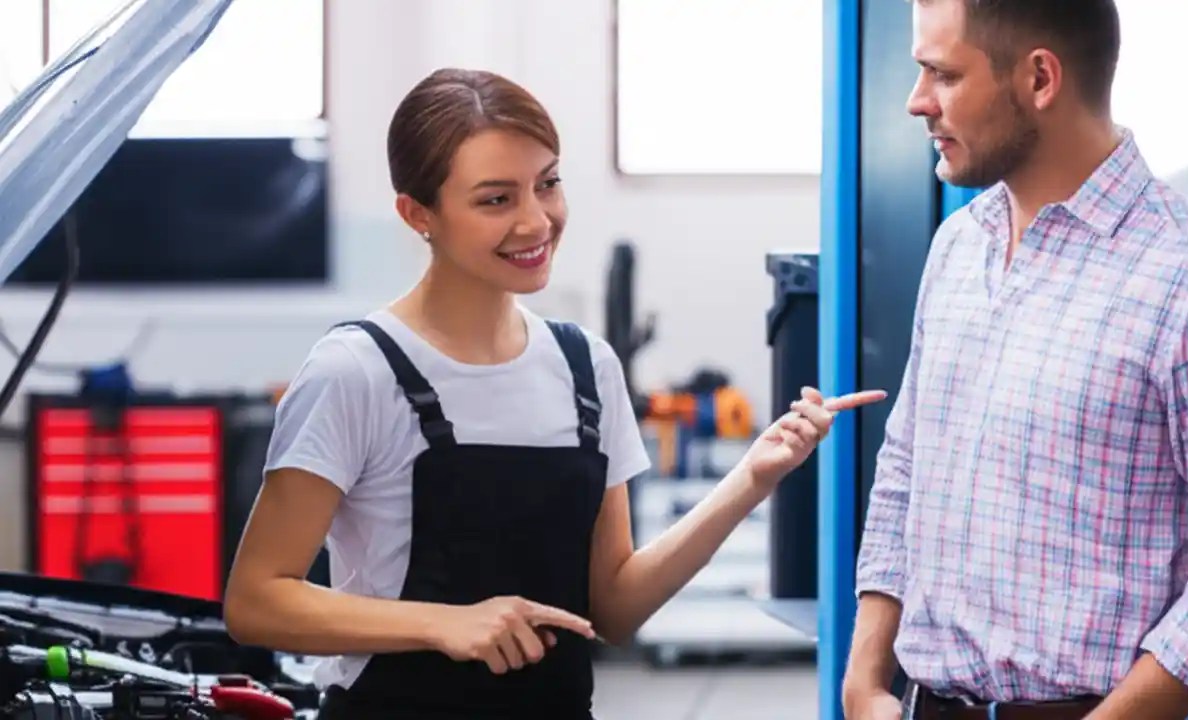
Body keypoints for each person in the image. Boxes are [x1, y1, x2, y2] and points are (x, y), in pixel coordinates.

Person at [222, 67, 886, 719]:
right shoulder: (355, 371)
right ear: (417, 213)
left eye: (548, 184)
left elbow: (614, 609)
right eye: (496, 200)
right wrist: (442, 623)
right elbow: (256, 601)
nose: (537, 221)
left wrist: (753, 476)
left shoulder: (585, 367)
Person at [842, 1, 1188, 719]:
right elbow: (905, 471)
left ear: (1040, 78)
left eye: (943, 74)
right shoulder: (959, 248)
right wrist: (864, 681)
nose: (917, 101)